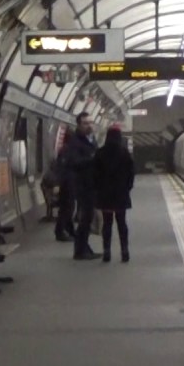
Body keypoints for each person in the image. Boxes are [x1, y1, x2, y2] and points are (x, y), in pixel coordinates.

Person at [93, 125, 135, 263]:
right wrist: (127, 188)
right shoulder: (125, 153)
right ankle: (125, 251)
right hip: (120, 194)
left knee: (107, 223)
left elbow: (95, 175)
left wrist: (98, 189)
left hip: (105, 195)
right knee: (122, 223)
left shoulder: (100, 153)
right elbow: (131, 174)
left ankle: (107, 252)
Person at [63, 112, 100, 260]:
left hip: (90, 183)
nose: (89, 125)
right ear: (79, 125)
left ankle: (84, 247)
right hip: (81, 184)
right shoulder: (74, 141)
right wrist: (92, 159)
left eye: (91, 122)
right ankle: (80, 250)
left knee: (87, 217)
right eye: (85, 123)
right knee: (86, 217)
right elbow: (73, 162)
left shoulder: (91, 139)